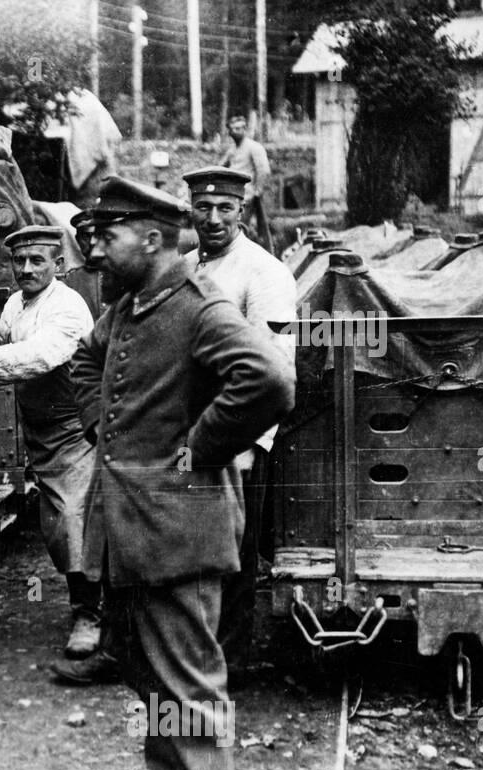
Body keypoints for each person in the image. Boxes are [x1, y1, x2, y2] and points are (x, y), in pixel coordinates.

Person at [70, 177, 294, 770]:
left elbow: (269, 380)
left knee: (190, 675)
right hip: (129, 523)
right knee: (140, 662)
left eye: (109, 234)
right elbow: (85, 362)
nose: (96, 246)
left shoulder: (201, 308)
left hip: (182, 524)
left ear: (155, 237)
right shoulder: (131, 306)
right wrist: (101, 429)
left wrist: (200, 448)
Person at [0, 226, 99, 659]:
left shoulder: (68, 307)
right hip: (39, 429)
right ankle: (92, 601)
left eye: (37, 261)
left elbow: (43, 354)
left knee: (71, 520)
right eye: (19, 261)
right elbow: (17, 341)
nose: (26, 269)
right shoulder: (16, 302)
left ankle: (91, 613)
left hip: (73, 428)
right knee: (55, 524)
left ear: (59, 266)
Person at [182, 166, 298, 661]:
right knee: (190, 546)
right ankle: (193, 651)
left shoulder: (264, 273)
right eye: (203, 208)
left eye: (224, 208)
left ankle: (231, 661)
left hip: (235, 435)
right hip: (186, 431)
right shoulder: (183, 267)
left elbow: (275, 369)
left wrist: (252, 443)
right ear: (191, 210)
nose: (213, 218)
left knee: (233, 553)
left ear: (242, 211)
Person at [222, 115, 274, 255]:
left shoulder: (254, 147)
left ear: (245, 129)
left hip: (247, 196)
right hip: (230, 195)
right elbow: (222, 166)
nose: (235, 131)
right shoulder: (232, 149)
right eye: (232, 129)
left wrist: (258, 190)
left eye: (239, 128)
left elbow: (264, 170)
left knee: (241, 228)